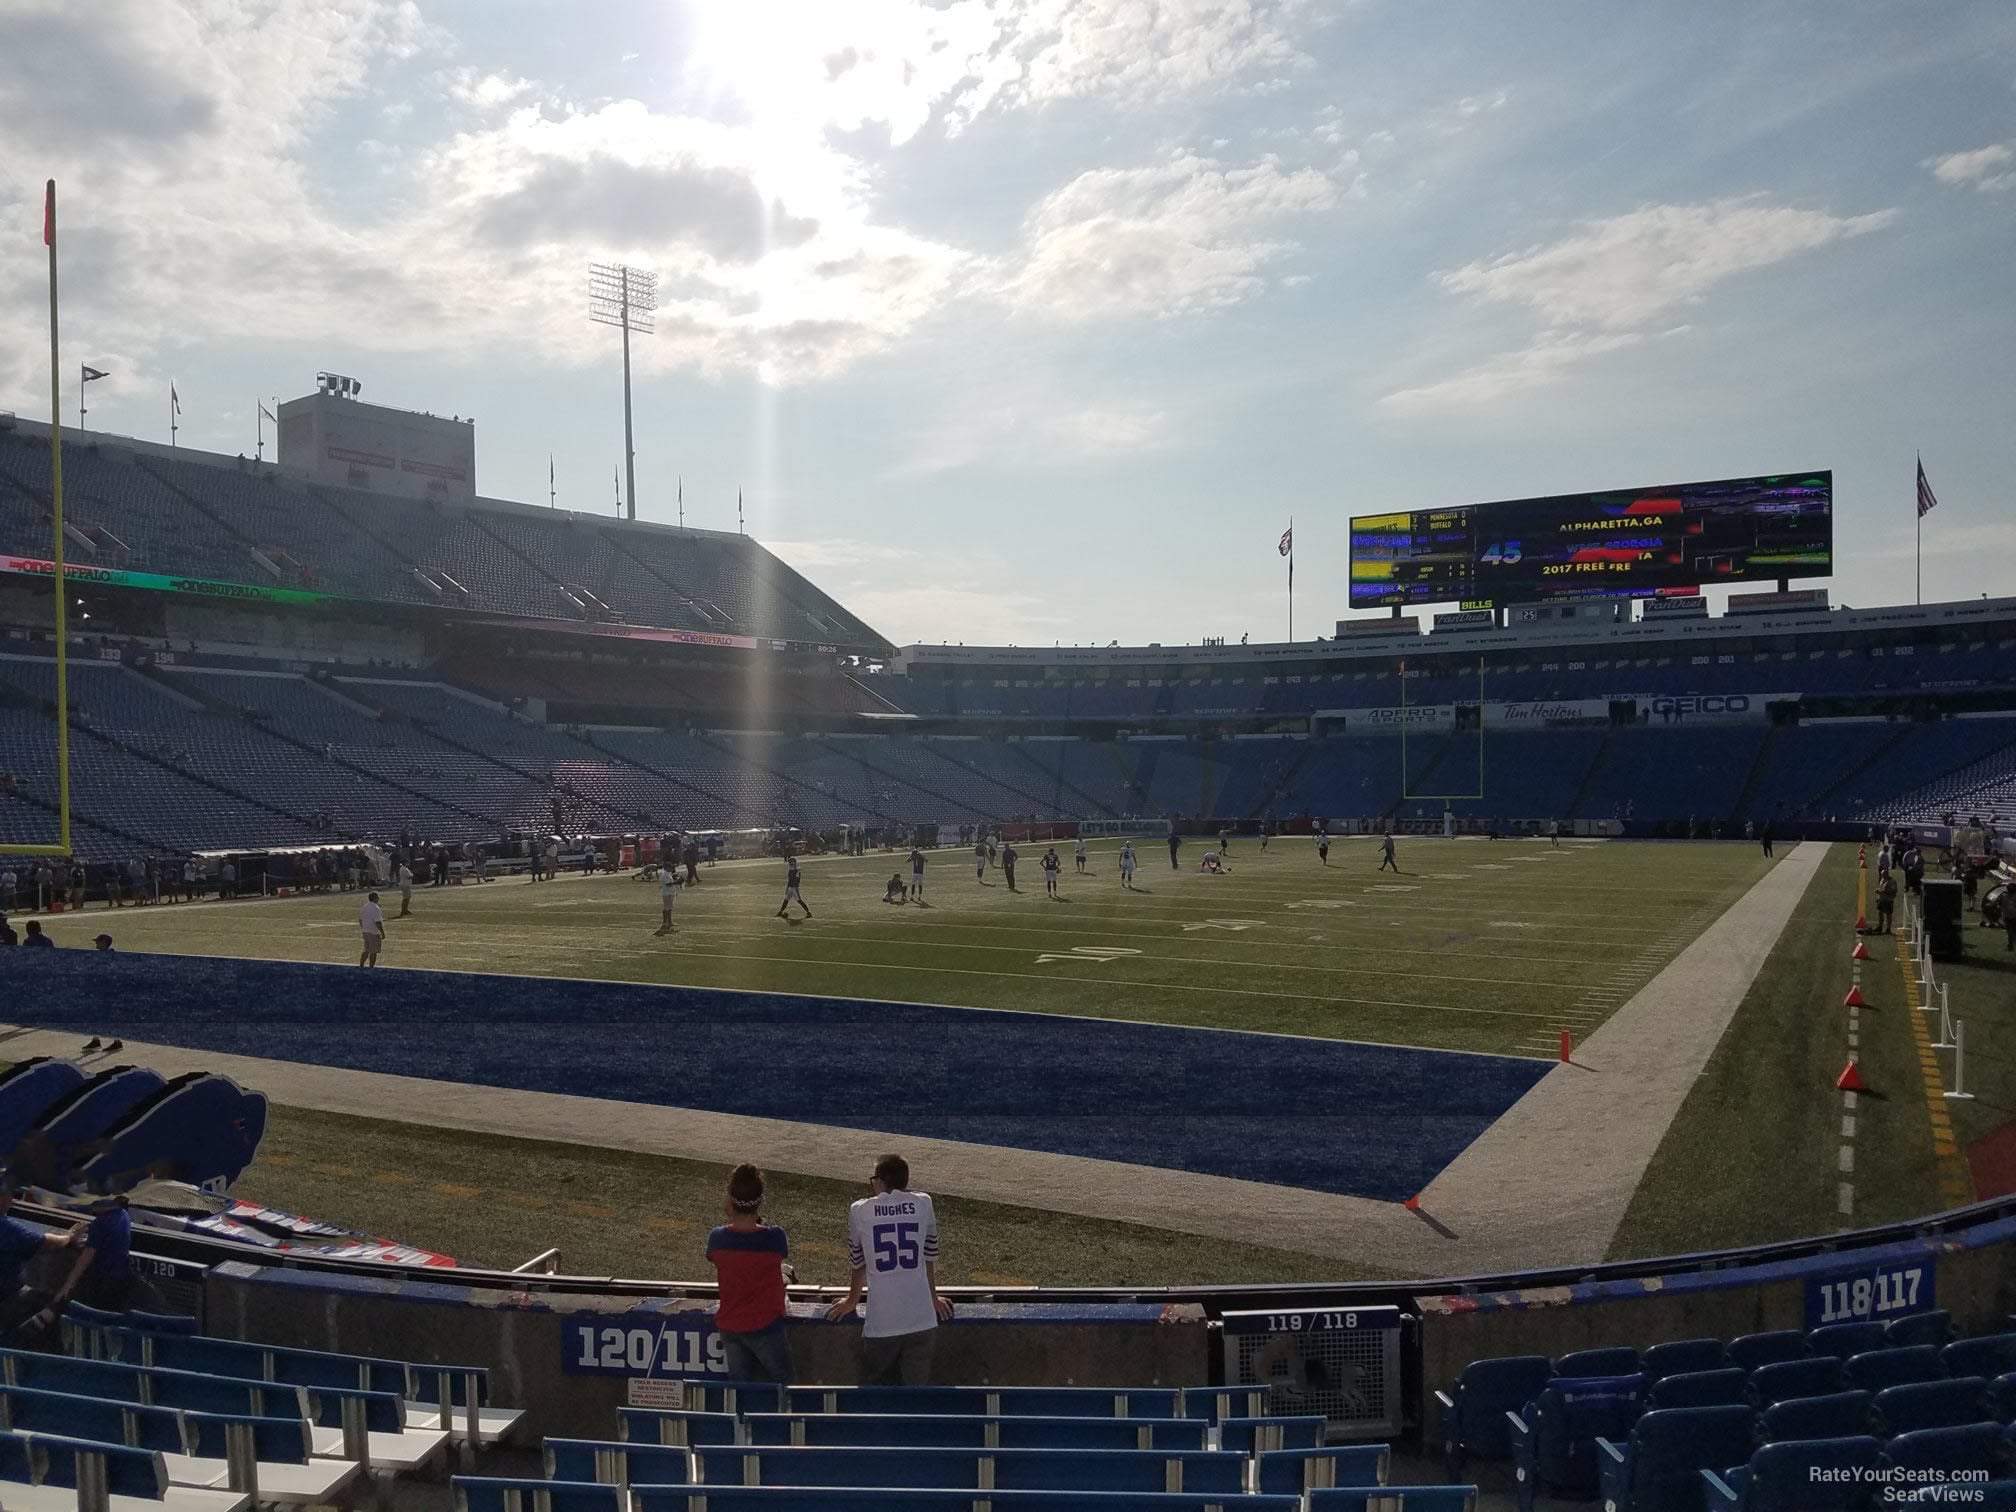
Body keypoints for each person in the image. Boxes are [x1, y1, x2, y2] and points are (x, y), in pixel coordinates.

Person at [826, 1153, 951, 1386]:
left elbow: (858, 1262)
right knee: (916, 1394)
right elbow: (929, 1255)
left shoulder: (860, 1210)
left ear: (880, 1181)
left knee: (876, 1395)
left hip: (883, 1322)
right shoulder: (924, 1202)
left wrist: (852, 1300)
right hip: (922, 1318)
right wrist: (932, 1297)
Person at [706, 1165, 795, 1383]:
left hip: (731, 1326)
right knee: (786, 1385)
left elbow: (719, 1252)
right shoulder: (775, 1238)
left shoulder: (717, 1239)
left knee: (740, 1391)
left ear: (730, 1200)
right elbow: (774, 1251)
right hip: (766, 1326)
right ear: (760, 1200)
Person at [49, 1195, 160, 1315]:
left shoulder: (100, 1223)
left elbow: (87, 1256)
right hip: (121, 1278)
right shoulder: (124, 1216)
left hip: (101, 1280)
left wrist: (68, 1285)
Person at [0, 1182, 81, 1342]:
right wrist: (69, 1237)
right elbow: (45, 1243)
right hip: (6, 1300)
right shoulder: (5, 1228)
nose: (13, 1200)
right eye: (10, 1195)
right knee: (53, 1303)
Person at [358, 891, 385, 967]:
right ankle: (371, 967)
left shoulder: (364, 907)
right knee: (373, 952)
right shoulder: (376, 908)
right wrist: (382, 932)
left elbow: (360, 920)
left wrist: (364, 928)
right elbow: (378, 922)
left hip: (365, 931)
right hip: (373, 932)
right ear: (375, 898)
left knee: (366, 950)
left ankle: (361, 965)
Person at [656, 867, 681, 935]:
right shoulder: (664, 875)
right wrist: (676, 882)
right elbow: (668, 884)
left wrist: (676, 880)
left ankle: (669, 921)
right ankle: (665, 922)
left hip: (670, 893)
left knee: (670, 908)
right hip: (666, 893)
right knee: (666, 908)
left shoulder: (669, 874)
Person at [1875, 870, 1897, 935]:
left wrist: (1882, 892)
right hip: (1882, 899)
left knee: (1888, 914)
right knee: (1880, 913)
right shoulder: (1882, 880)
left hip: (1888, 900)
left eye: (1883, 875)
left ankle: (1888, 928)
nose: (1882, 876)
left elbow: (1893, 891)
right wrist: (1878, 896)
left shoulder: (1892, 882)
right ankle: (1880, 926)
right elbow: (1880, 887)